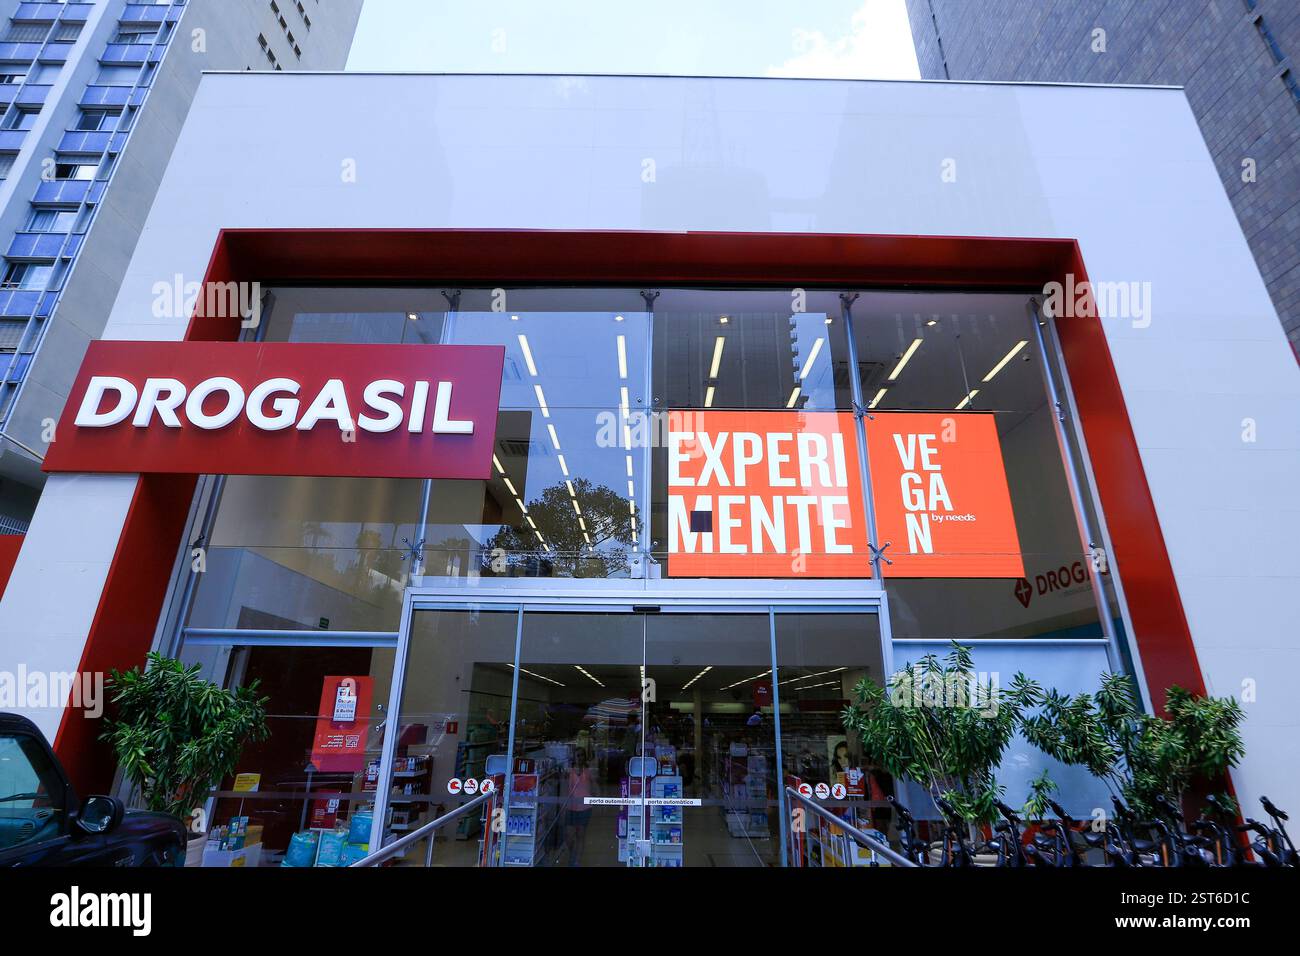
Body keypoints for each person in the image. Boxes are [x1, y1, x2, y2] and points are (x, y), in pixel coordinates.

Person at [564, 750, 594, 866]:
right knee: (568, 835)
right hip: (570, 807)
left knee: (580, 835)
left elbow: (595, 785)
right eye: (577, 755)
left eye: (582, 755)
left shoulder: (588, 771)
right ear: (574, 757)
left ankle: (576, 861)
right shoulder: (569, 772)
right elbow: (564, 788)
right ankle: (573, 853)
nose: (579, 758)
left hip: (584, 807)